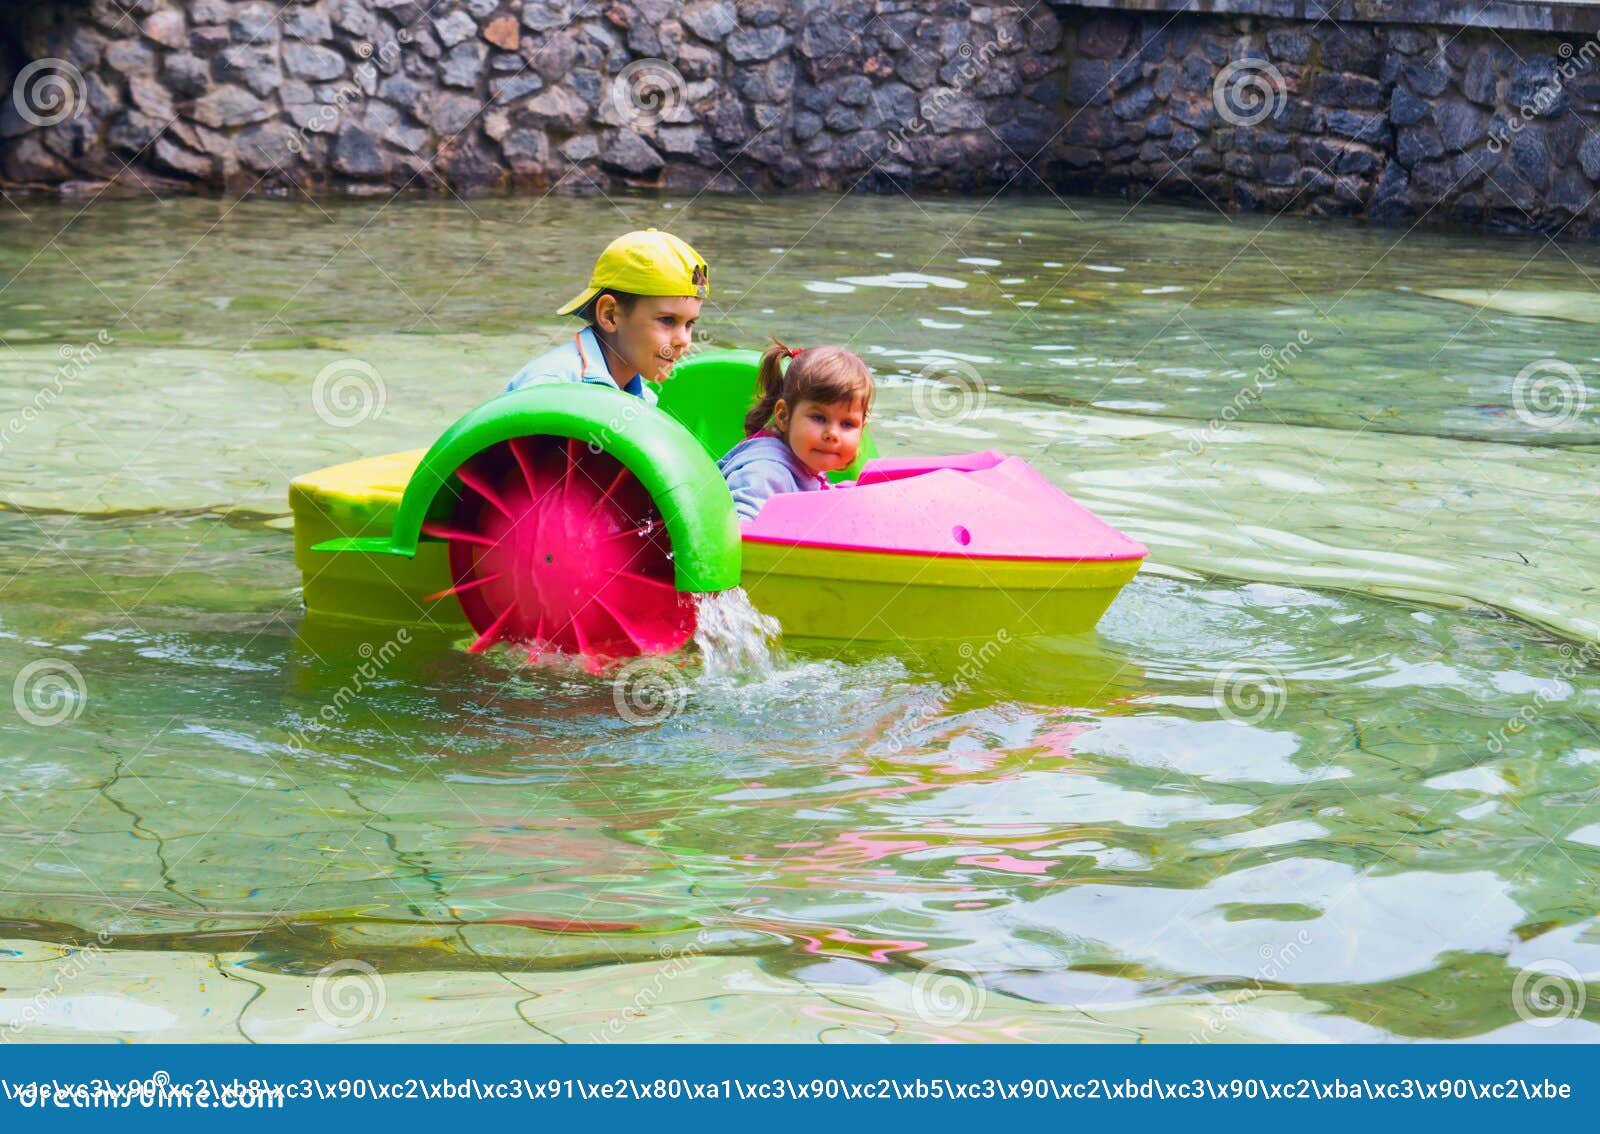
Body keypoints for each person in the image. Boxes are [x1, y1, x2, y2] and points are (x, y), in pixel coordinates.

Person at [506, 228, 708, 406]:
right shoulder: (549, 389)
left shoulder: (644, 400)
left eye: (689, 324)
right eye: (667, 320)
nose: (683, 340)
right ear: (610, 315)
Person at [718, 341, 874, 522]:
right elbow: (738, 533)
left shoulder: (805, 460)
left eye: (847, 424)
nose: (832, 433)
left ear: (862, 429)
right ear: (784, 416)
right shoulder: (766, 472)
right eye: (819, 418)